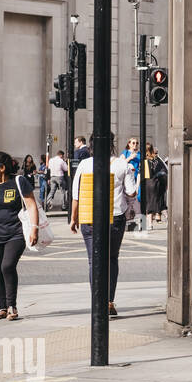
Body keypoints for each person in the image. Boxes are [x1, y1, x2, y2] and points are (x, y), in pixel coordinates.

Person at [70, 133, 129, 319]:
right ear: (112, 144)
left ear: (91, 146)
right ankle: (109, 300)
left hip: (90, 217)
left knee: (93, 260)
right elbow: (132, 191)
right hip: (115, 216)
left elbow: (76, 194)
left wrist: (73, 218)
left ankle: (97, 301)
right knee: (112, 258)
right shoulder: (122, 164)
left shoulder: (84, 164)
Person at [0, 151, 39, 321]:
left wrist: (34, 228)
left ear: (2, 168)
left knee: (7, 266)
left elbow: (31, 205)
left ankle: (12, 306)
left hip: (16, 233)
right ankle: (2, 308)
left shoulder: (18, 182)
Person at [144, 142, 167, 225]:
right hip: (156, 183)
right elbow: (164, 169)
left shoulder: (144, 159)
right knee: (155, 201)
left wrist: (136, 186)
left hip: (147, 182)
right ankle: (162, 217)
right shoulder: (156, 159)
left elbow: (140, 174)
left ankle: (147, 224)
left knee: (147, 204)